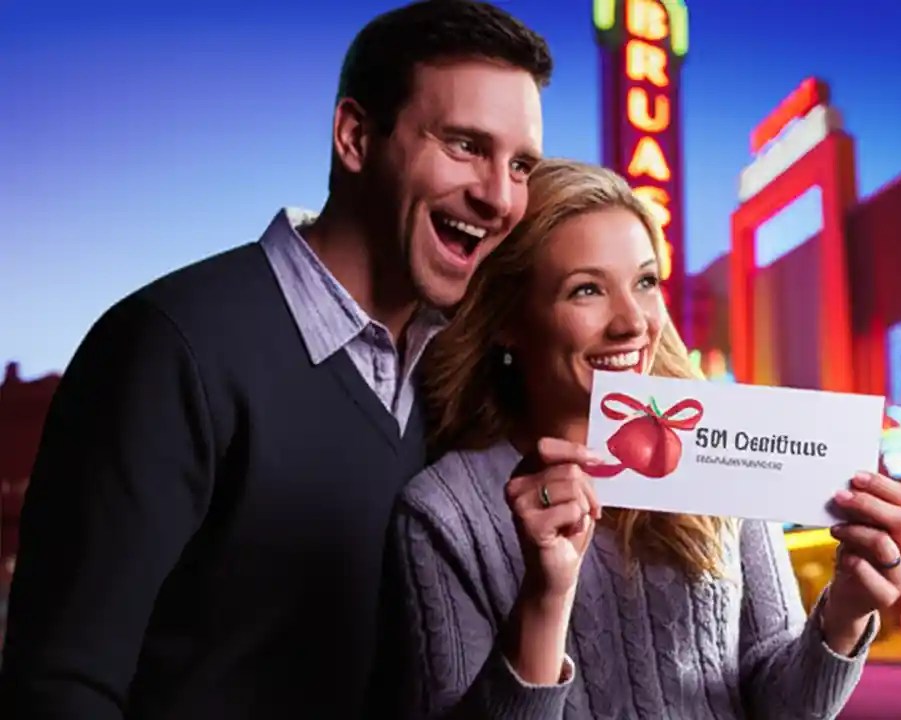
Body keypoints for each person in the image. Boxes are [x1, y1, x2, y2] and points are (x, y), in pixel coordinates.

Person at [0, 2, 550, 718]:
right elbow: (62, 685)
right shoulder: (172, 345)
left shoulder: (451, 376)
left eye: (521, 165)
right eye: (465, 145)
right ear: (355, 136)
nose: (499, 196)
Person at [395, 159, 901, 719]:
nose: (632, 323)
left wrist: (846, 613)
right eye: (586, 290)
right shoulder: (441, 514)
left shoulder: (721, 450)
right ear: (508, 320)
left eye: (645, 282)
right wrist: (544, 601)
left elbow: (781, 706)